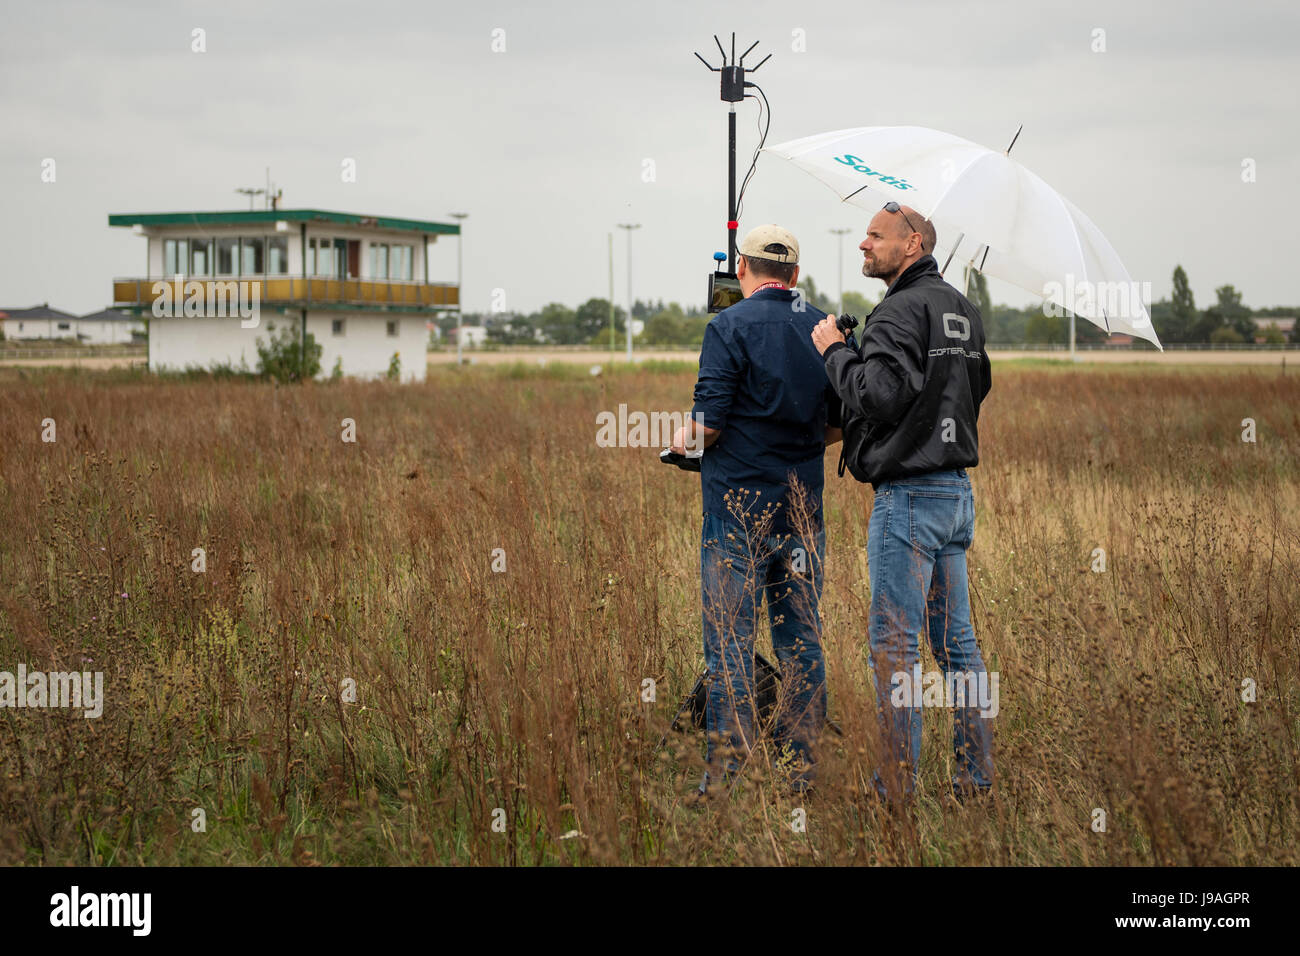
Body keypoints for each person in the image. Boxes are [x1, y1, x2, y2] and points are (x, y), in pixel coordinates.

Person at [810, 201, 994, 805]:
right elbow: (975, 388)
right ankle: (974, 781)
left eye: (875, 236)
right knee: (957, 646)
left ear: (913, 244)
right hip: (955, 494)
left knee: (895, 648)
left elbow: (879, 394)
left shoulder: (896, 311)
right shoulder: (962, 309)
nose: (864, 245)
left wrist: (835, 350)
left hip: (910, 498)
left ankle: (895, 789)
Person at [671, 224, 842, 798]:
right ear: (795, 275)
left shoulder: (726, 326)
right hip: (801, 511)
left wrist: (680, 442)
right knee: (801, 638)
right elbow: (842, 422)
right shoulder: (826, 329)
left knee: (729, 640)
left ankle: (725, 774)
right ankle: (804, 771)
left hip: (736, 511)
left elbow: (709, 424)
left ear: (741, 269)